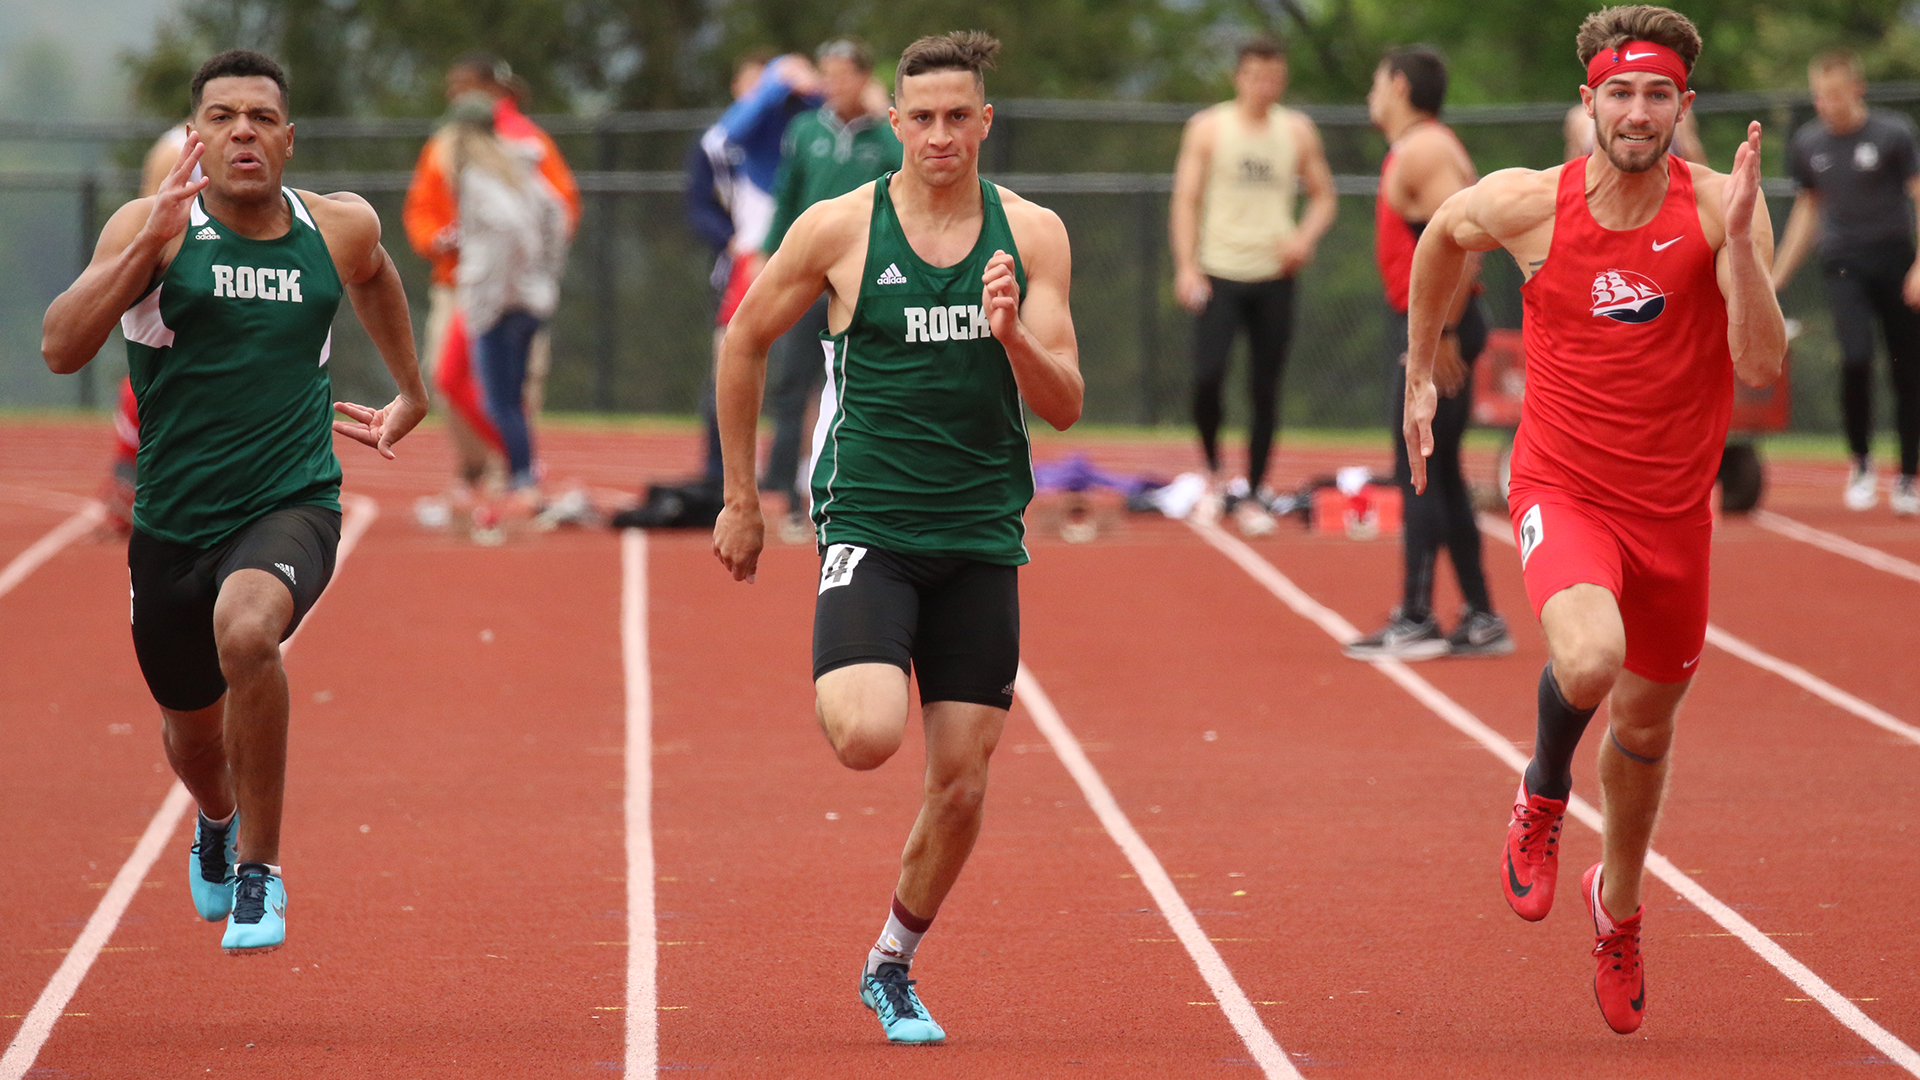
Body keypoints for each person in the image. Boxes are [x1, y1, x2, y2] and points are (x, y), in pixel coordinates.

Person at [1403, 5, 1784, 1034]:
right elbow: (1442, 234)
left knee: (1649, 728)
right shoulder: (1531, 204)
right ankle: (1540, 787)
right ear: (1590, 102)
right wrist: (1418, 370)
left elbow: (1759, 360)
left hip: (1675, 516)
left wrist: (1743, 243)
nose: (1637, 110)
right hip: (1563, 489)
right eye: (1620, 91)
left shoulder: (1719, 210)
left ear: (1683, 107)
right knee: (1587, 663)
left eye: (1658, 93)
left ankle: (1616, 910)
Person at [711, 31, 1081, 1045]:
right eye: (921, 118)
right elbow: (743, 340)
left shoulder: (1034, 235)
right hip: (870, 520)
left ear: (985, 123)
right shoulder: (840, 230)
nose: (940, 135)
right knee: (868, 734)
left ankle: (891, 964)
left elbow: (1067, 403)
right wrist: (743, 499)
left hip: (980, 532)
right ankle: (856, 642)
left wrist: (1013, 335)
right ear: (895, 125)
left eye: (959, 116)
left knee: (962, 782)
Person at [41, 49, 428, 953]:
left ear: (289, 142)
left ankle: (260, 869)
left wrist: (411, 390)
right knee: (192, 743)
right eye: (221, 117)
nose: (242, 131)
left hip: (292, 500)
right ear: (195, 139)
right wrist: (144, 242)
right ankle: (216, 820)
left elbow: (375, 275)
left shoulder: (337, 227)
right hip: (171, 524)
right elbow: (61, 348)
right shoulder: (155, 232)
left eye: (259, 117)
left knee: (249, 631)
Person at [1346, 45, 1512, 661]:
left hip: (1440, 329)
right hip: (1432, 326)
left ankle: (1416, 616)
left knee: (1416, 464)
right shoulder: (1416, 148)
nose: (1370, 93)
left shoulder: (1425, 150)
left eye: (1375, 81)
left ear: (1396, 85)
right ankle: (1482, 615)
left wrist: (1439, 333)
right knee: (1435, 469)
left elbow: (1469, 238)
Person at [1169, 35, 1337, 537]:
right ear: (1238, 76)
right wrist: (1185, 266)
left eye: (1274, 77)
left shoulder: (1297, 130)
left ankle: (1257, 488)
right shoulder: (1207, 128)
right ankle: (1213, 474)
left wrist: (1303, 237)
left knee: (1265, 387)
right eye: (1256, 75)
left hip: (1274, 275)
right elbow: (1185, 199)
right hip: (1219, 271)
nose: (1266, 85)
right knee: (1207, 376)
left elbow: (1325, 196)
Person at [404, 54, 579, 521]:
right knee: (450, 378)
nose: (453, 94)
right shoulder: (446, 144)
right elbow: (423, 210)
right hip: (465, 284)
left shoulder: (524, 144)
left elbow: (554, 214)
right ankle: (482, 473)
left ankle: (516, 478)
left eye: (462, 86)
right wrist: (442, 243)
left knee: (509, 389)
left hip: (496, 291)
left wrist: (529, 277)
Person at [758, 39, 902, 543]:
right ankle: (793, 494)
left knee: (864, 384)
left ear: (864, 78)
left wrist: (882, 118)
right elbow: (785, 197)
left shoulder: (885, 133)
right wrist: (768, 259)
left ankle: (873, 492)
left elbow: (905, 176)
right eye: (827, 74)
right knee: (792, 386)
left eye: (844, 75)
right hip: (807, 278)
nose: (833, 85)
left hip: (870, 280)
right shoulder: (803, 130)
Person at [1772, 49, 1920, 516]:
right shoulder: (1808, 142)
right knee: (1855, 358)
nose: (1826, 105)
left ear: (1857, 90)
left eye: (1834, 95)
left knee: (1907, 370)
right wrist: (1774, 278)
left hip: (1898, 260)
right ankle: (1860, 464)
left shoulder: (1894, 133)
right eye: (1819, 96)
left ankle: (1908, 478)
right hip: (1842, 262)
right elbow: (1808, 210)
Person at [688, 52, 823, 491]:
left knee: (805, 372)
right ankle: (721, 470)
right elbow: (719, 140)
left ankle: (805, 467)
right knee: (731, 357)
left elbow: (848, 113)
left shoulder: (807, 124)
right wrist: (772, 83)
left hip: (803, 259)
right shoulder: (738, 135)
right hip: (750, 260)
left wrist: (812, 84)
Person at [440, 92, 569, 517]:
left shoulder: (480, 175)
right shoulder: (519, 166)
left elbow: (510, 229)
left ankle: (523, 481)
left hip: (501, 303)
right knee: (511, 400)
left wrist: (493, 292)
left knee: (500, 402)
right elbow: (556, 215)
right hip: (528, 299)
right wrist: (544, 277)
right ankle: (523, 479)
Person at [1565, 100, 1705, 164]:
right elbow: (1574, 165)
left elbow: (1692, 157)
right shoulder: (1581, 119)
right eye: (1620, 94)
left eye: (1657, 95)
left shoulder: (1677, 116)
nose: (1636, 118)